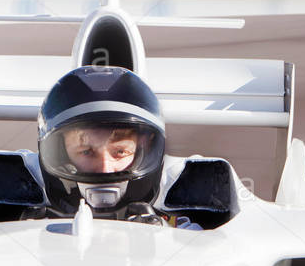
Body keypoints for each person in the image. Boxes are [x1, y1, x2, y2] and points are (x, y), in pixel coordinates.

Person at [38, 65, 193, 226]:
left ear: (145, 148)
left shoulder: (186, 184)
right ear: (59, 151)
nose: (105, 168)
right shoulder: (26, 184)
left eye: (120, 151)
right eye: (86, 152)